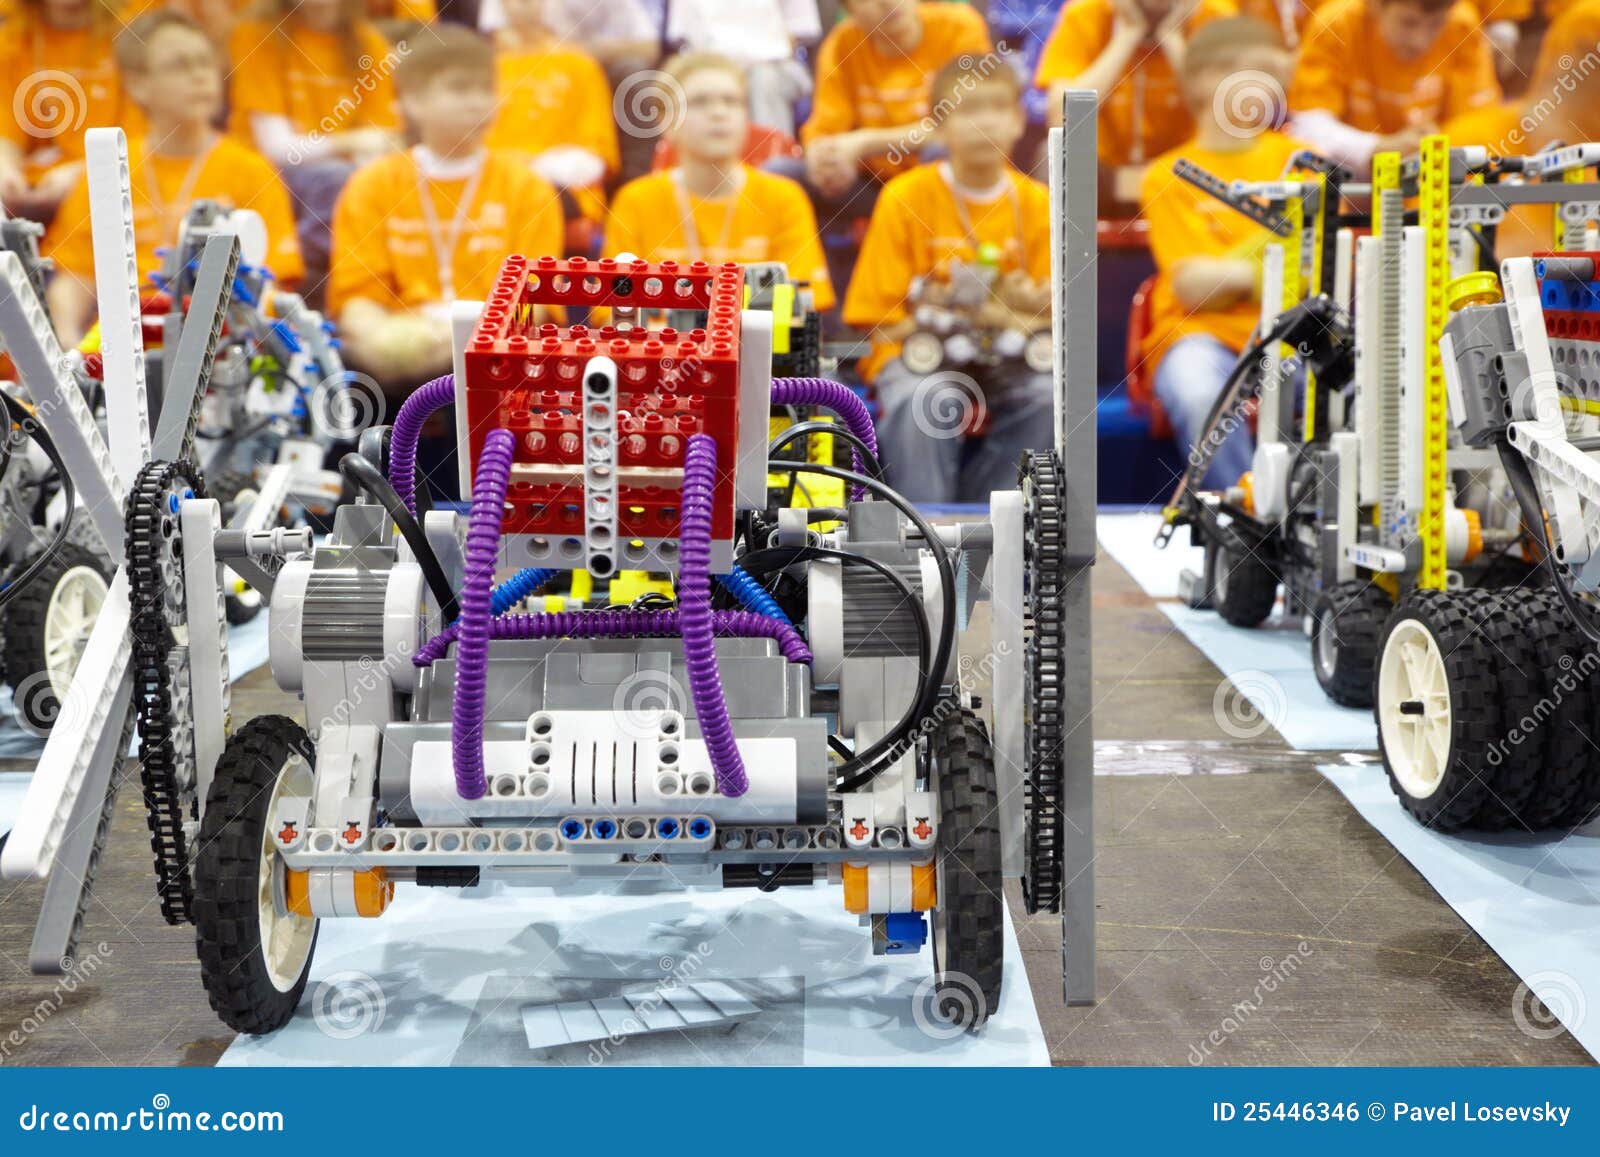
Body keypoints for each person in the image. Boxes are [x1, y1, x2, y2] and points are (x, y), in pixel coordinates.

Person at [841, 58, 1052, 504]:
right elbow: (876, 322)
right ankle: (923, 531)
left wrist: (1007, 318)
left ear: (1019, 121)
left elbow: (1053, 316)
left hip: (1009, 355)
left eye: (998, 107)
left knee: (1049, 397)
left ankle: (998, 525)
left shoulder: (1038, 203)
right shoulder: (905, 197)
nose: (986, 121)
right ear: (938, 127)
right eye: (968, 108)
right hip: (921, 350)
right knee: (922, 397)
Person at [43, 8, 303, 345]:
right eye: (180, 65)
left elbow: (270, 285)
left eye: (205, 62)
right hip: (120, 351)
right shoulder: (108, 170)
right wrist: (69, 347)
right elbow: (74, 278)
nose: (200, 76)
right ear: (138, 85)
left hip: (218, 350)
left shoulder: (252, 170)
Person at [328, 24, 563, 384]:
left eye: (486, 88)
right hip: (398, 361)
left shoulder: (528, 187)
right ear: (413, 101)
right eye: (459, 88)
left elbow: (537, 305)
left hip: (498, 360)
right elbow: (358, 303)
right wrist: (397, 344)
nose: (477, 101)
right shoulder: (371, 184)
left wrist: (464, 343)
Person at [1137, 17, 1304, 490]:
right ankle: (1239, 527)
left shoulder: (1301, 159)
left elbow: (1317, 276)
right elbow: (1193, 288)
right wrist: (1276, 258)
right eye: (1261, 76)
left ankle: (1307, 524)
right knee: (1200, 395)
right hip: (1198, 339)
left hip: (1294, 332)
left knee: (1358, 391)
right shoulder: (1168, 173)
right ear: (1209, 78)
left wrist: (1231, 271)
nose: (1275, 93)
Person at [605, 53, 834, 310]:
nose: (719, 113)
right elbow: (616, 311)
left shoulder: (783, 197)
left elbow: (800, 310)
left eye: (732, 101)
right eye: (700, 102)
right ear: (667, 121)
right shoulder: (636, 201)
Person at [228, 0, 404, 273]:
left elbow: (382, 143)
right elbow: (277, 148)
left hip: (342, 173)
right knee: (333, 179)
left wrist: (354, 148)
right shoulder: (258, 33)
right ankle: (310, 277)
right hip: (267, 173)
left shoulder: (369, 43)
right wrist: (348, 142)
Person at [1033, 0, 1236, 201]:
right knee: (1058, 153)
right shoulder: (1085, 13)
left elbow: (1222, 120)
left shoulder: (1215, 17)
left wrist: (1173, 39)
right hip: (1103, 172)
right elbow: (1062, 118)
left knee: (1230, 152)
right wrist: (1125, 38)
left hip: (1184, 171)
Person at [800, 0, 992, 201]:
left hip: (937, 178)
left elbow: (967, 128)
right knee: (785, 172)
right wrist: (823, 159)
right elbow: (824, 129)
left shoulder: (959, 27)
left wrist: (866, 143)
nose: (887, 2)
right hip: (874, 183)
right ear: (849, 10)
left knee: (940, 152)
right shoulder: (842, 44)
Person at [1289, 0, 1500, 169]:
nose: (1421, 41)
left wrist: (1436, 147)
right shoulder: (1336, 23)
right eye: (1408, 23)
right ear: (1375, 6)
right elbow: (1307, 126)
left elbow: (1479, 127)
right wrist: (1380, 148)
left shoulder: (1462, 24)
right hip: (1350, 182)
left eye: (1436, 25)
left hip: (1429, 183)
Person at [488, 0, 620, 244]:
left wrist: (531, 168)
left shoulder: (579, 65)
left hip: (560, 191)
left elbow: (595, 157)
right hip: (489, 191)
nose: (521, 6)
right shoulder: (487, 68)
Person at [0, 0, 144, 221]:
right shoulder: (14, 39)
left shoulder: (131, 35)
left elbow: (144, 142)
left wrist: (86, 172)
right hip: (33, 190)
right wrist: (6, 170)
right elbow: (6, 134)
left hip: (114, 185)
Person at [665, 0, 820, 134]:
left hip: (775, 65)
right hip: (709, 67)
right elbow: (684, 40)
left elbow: (797, 33)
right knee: (702, 87)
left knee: (765, 80)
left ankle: (770, 161)